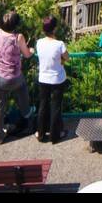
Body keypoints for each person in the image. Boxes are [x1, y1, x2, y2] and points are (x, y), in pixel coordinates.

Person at [0, 10, 33, 145]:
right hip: (11, 78)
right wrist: (31, 51)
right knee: (23, 88)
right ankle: (27, 118)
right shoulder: (18, 37)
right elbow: (26, 54)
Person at [35, 16, 69, 144]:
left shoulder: (39, 42)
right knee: (56, 107)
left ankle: (41, 133)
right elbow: (67, 57)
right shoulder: (59, 44)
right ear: (54, 29)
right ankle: (55, 136)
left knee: (43, 106)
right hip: (57, 79)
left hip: (43, 78)